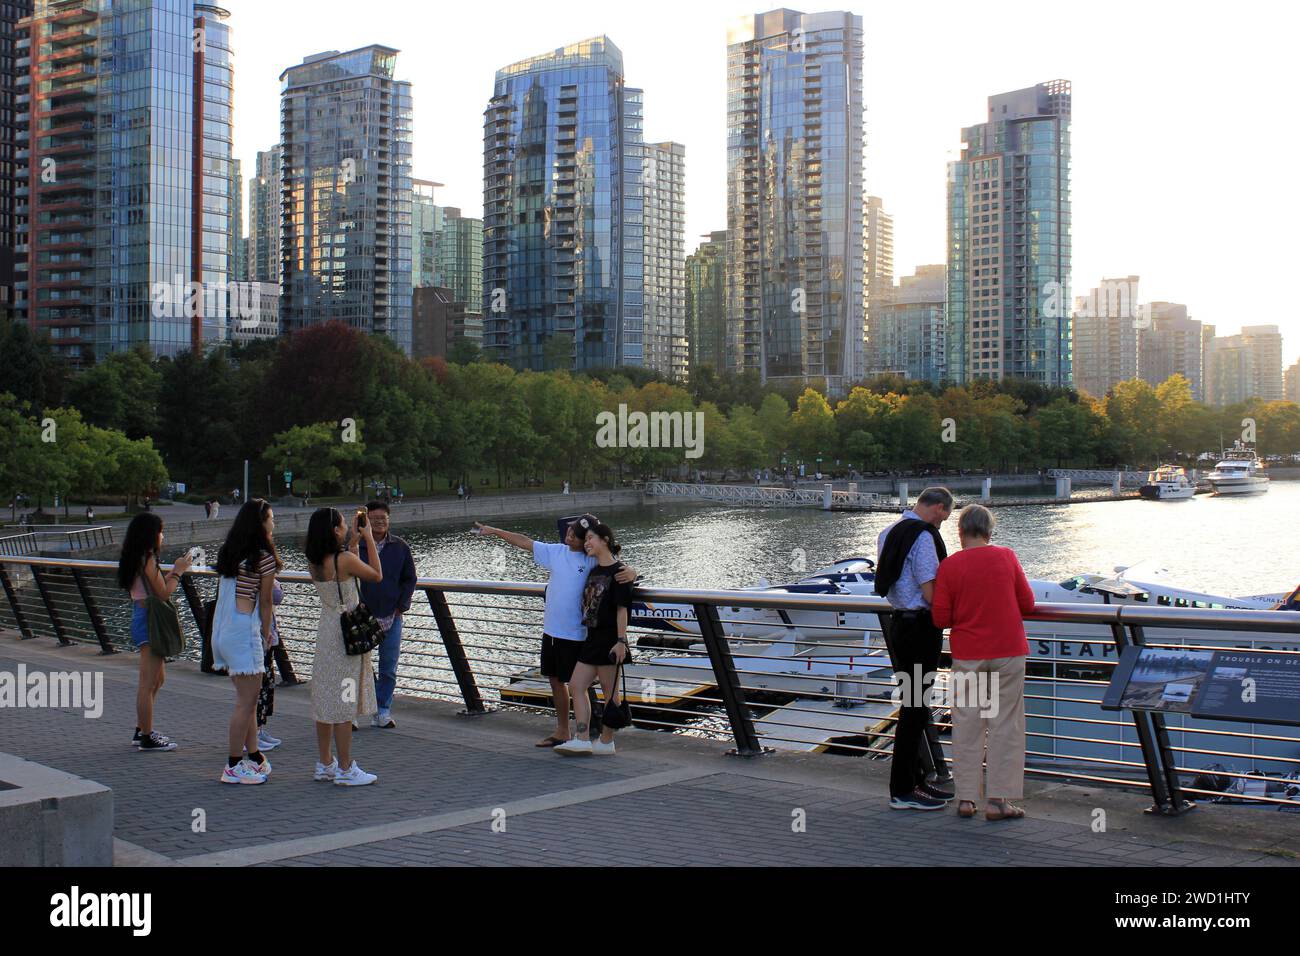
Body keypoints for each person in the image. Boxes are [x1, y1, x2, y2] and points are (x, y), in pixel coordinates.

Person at [475, 514, 636, 748]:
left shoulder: (590, 560)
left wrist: (632, 571)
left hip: (581, 634)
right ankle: (568, 733)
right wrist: (495, 531)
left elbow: (617, 570)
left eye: (581, 536)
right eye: (571, 532)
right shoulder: (557, 553)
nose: (570, 536)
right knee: (562, 682)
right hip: (556, 632)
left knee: (591, 687)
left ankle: (601, 737)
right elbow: (524, 542)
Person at [931, 504, 1035, 821]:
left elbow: (941, 618)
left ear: (960, 532)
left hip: (969, 654)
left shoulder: (949, 566)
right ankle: (997, 801)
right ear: (990, 531)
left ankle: (965, 798)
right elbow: (1027, 604)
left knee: (967, 725)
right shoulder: (1006, 556)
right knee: (1006, 725)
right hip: (1007, 650)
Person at [874, 486, 956, 811]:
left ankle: (917, 782)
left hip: (898, 625)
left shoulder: (888, 531)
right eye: (943, 517)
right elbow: (931, 591)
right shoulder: (922, 536)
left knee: (914, 706)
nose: (941, 524)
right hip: (920, 628)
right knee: (915, 708)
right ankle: (903, 789)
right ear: (937, 507)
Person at [305, 507, 383, 785]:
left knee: (326, 698)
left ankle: (326, 763)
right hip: (346, 637)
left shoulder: (314, 560)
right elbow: (375, 574)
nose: (345, 527)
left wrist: (353, 542)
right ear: (334, 530)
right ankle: (346, 768)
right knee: (344, 701)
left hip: (327, 630)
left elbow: (346, 572)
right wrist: (369, 538)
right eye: (341, 524)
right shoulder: (345, 559)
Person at [212, 499, 280, 785]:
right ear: (261, 522)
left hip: (223, 631)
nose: (273, 523)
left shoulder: (231, 553)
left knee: (247, 700)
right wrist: (266, 633)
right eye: (271, 518)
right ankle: (233, 764)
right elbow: (265, 601)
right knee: (246, 701)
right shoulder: (262, 557)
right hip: (244, 632)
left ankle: (254, 756)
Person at [555, 520, 633, 756]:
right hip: (592, 638)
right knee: (577, 685)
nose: (586, 543)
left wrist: (621, 641)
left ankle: (607, 741)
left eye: (590, 538)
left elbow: (622, 609)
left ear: (605, 540)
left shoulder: (620, 572)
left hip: (610, 639)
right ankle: (582, 738)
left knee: (610, 693)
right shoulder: (593, 570)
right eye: (586, 539)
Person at [116, 513, 191, 752]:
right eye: (160, 531)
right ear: (151, 534)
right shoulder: (146, 558)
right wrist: (179, 571)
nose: (162, 536)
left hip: (143, 616)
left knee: (158, 679)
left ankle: (143, 729)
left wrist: (169, 575)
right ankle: (145, 736)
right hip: (149, 621)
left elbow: (153, 586)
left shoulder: (135, 557)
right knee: (147, 683)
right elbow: (164, 594)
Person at [358, 501, 418, 728]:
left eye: (383, 518)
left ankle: (382, 710)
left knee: (388, 668)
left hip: (392, 616)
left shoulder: (400, 547)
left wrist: (401, 606)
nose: (380, 522)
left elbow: (409, 578)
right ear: (366, 521)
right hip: (362, 617)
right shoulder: (357, 546)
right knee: (359, 667)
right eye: (374, 519)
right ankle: (353, 710)